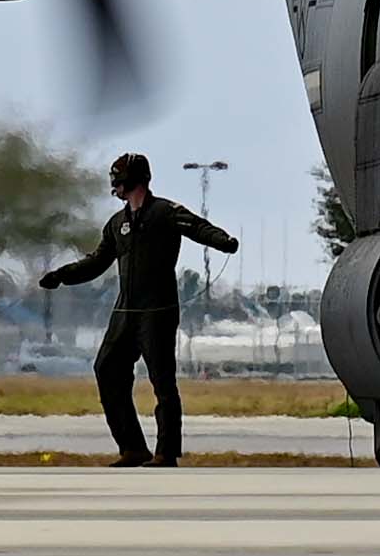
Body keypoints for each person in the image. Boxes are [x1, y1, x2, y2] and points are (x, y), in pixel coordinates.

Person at [42, 153, 235, 466]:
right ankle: (132, 447)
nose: (114, 186)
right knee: (107, 369)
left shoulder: (166, 213)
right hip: (125, 312)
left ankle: (166, 451)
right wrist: (63, 276)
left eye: (118, 179)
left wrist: (223, 242)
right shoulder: (117, 225)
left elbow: (198, 227)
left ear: (133, 179)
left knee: (162, 381)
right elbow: (96, 262)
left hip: (157, 311)